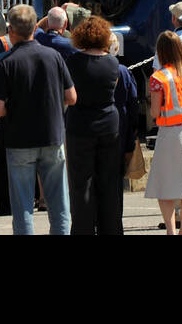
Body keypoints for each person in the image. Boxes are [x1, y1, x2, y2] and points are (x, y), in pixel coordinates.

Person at [0, 4, 76, 235]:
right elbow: (71, 96)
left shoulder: (7, 62)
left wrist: (15, 108)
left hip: (19, 140)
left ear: (11, 31)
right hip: (51, 135)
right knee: (59, 204)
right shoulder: (54, 56)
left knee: (23, 207)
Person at [64, 15, 123, 235]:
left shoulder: (73, 62)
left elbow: (67, 92)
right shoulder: (113, 62)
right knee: (108, 182)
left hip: (80, 125)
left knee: (81, 184)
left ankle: (83, 229)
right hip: (109, 123)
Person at [143, 30, 182, 235]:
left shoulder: (159, 77)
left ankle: (170, 230)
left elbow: (154, 112)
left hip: (171, 134)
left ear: (160, 52)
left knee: (165, 185)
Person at [110, 33, 141, 230]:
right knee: (115, 185)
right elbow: (134, 104)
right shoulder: (123, 71)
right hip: (119, 132)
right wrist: (132, 140)